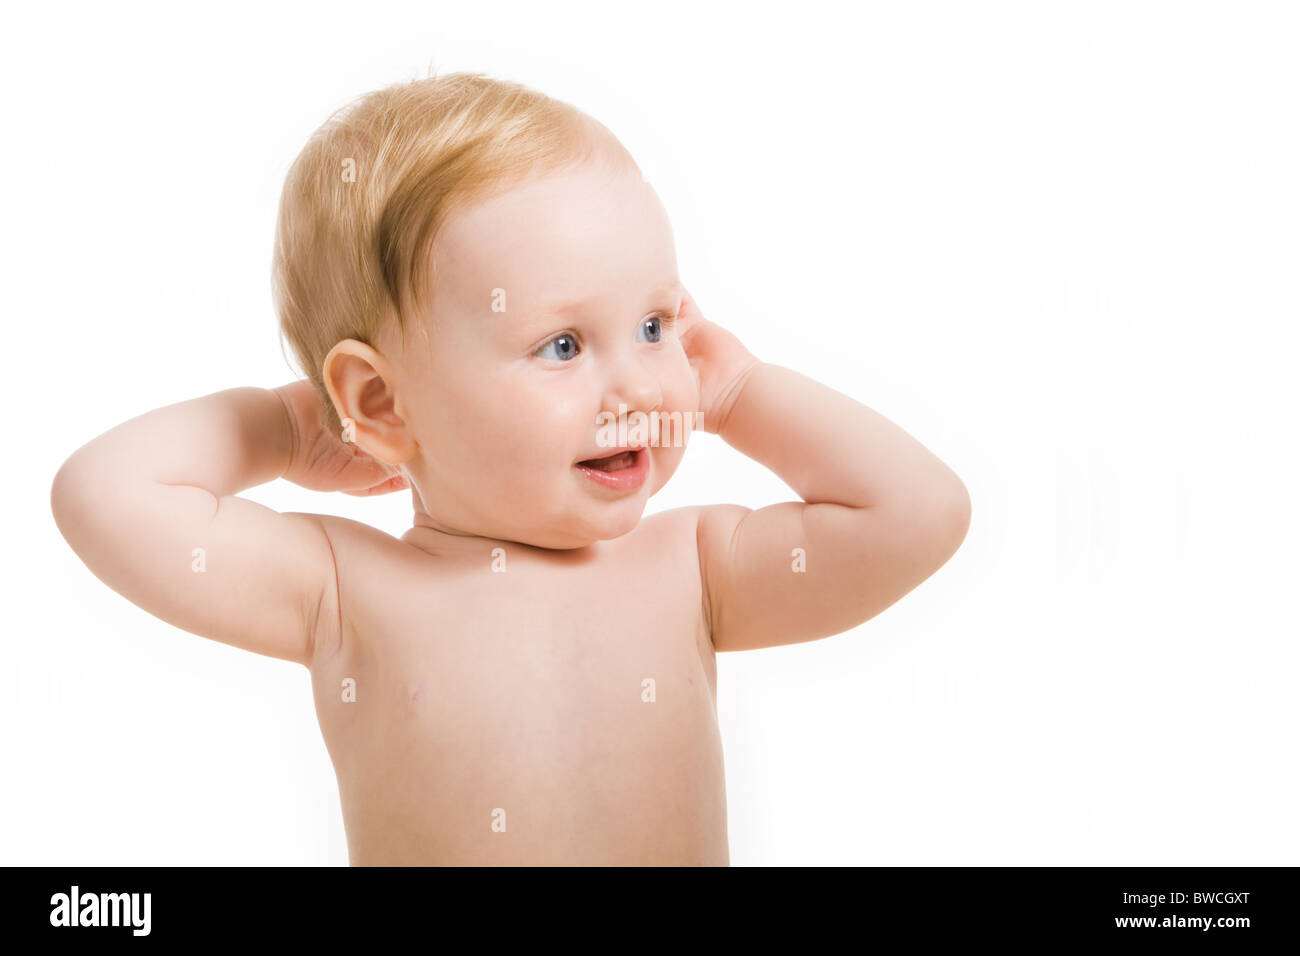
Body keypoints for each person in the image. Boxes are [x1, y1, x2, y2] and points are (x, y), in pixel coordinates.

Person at [50, 71, 970, 865]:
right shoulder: (345, 590)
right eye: (563, 344)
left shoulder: (693, 567)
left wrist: (736, 394)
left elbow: (920, 512)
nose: (642, 385)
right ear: (380, 403)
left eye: (656, 326)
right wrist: (289, 428)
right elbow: (107, 494)